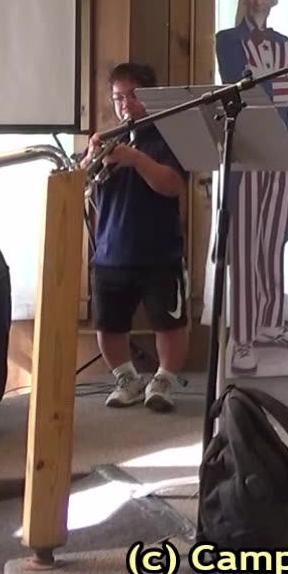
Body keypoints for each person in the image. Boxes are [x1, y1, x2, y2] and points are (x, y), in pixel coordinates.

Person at [215, 0, 288, 374]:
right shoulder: (227, 40)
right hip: (246, 153)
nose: (258, 0)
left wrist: (269, 87)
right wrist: (279, 86)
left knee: (274, 243)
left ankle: (271, 323)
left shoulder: (282, 42)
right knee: (244, 246)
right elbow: (240, 89)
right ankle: (242, 336)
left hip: (281, 156)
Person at [83, 63, 190, 412]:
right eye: (118, 98)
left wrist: (135, 159)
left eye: (132, 96)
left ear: (150, 97)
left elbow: (172, 185)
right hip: (111, 252)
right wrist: (90, 158)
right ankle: (127, 379)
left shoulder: (168, 136)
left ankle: (164, 381)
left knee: (168, 323)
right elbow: (83, 188)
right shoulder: (107, 139)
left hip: (159, 251)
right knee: (109, 324)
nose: (125, 104)